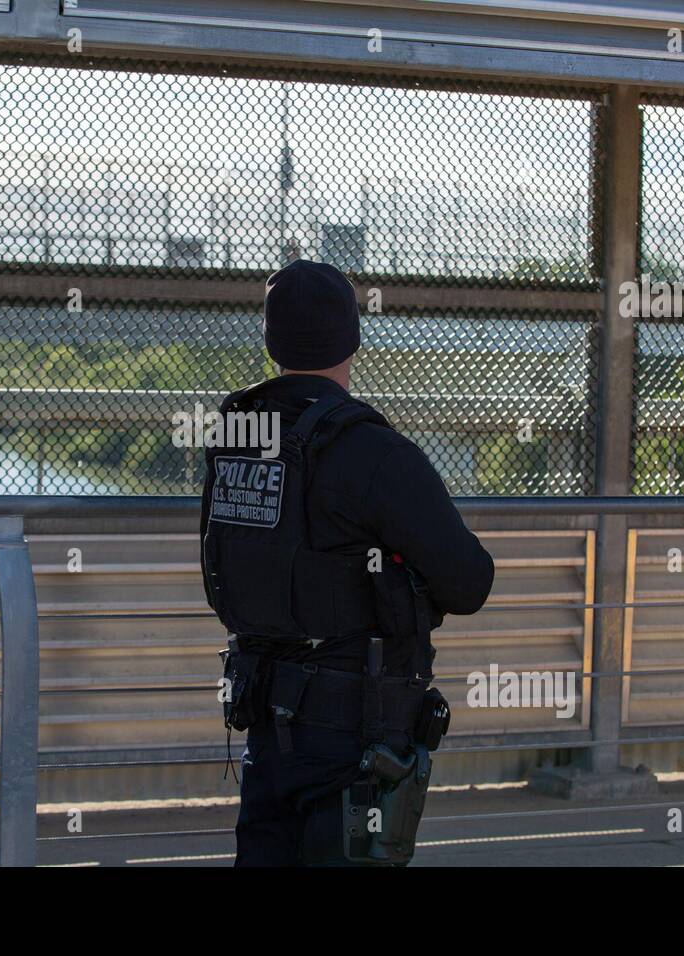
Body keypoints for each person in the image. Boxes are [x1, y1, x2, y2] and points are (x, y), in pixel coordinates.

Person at [200, 259, 495, 866]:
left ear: (271, 341)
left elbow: (223, 576)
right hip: (354, 741)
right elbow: (469, 582)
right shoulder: (374, 452)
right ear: (353, 340)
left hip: (263, 728)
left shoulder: (238, 437)